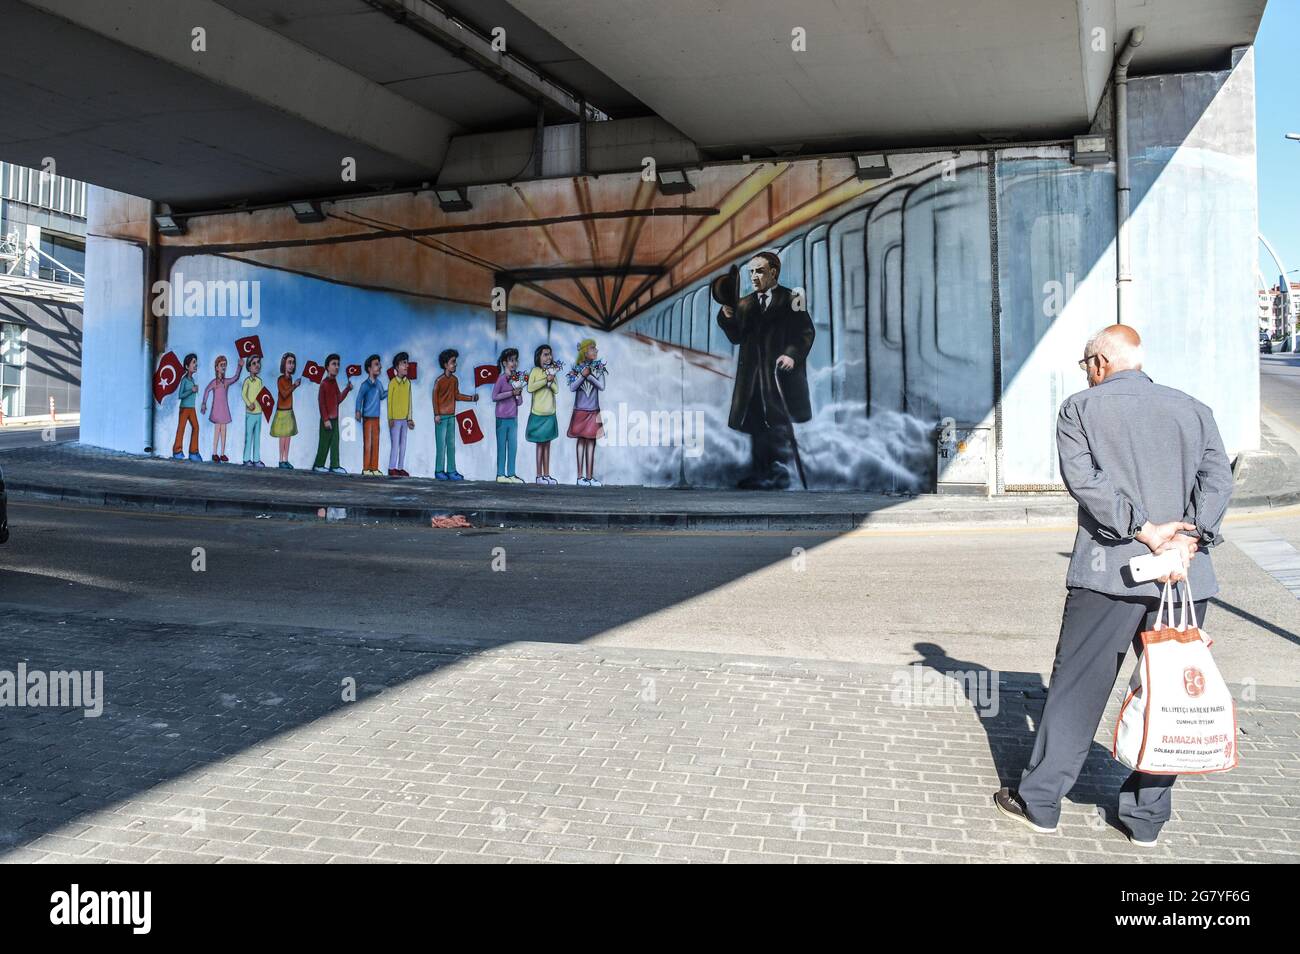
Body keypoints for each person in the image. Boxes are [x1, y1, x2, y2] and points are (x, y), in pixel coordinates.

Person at [994, 325, 1233, 847]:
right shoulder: (1195, 409)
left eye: (1086, 365)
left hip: (1110, 574)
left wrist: (1143, 530)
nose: (1087, 374)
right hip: (1184, 577)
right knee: (1170, 692)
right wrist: (1188, 537)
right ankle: (1144, 819)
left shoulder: (1080, 410)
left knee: (1078, 687)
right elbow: (1218, 482)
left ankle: (1041, 803)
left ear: (1100, 362)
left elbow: (1087, 484)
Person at [715, 252, 815, 490]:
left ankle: (781, 473)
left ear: (774, 272)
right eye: (751, 272)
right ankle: (763, 474)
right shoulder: (745, 304)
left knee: (779, 424)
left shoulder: (792, 298)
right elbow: (737, 336)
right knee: (757, 425)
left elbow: (805, 332)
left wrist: (791, 354)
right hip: (752, 379)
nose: (754, 276)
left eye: (759, 271)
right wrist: (727, 316)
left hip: (779, 377)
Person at [566, 338, 607, 487]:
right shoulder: (576, 369)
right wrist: (583, 375)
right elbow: (572, 387)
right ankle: (579, 477)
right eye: (592, 348)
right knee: (581, 441)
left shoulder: (599, 368)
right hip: (580, 410)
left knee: (592, 442)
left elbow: (601, 386)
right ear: (584, 351)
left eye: (595, 348)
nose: (595, 351)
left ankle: (589, 477)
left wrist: (589, 376)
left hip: (593, 410)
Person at [432, 348, 477, 480]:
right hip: (441, 417)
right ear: (446, 365)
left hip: (451, 416)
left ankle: (451, 470)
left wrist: (471, 398)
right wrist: (436, 414)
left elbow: (456, 395)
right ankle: (439, 470)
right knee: (441, 445)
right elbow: (434, 397)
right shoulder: (439, 381)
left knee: (451, 445)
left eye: (455, 362)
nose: (455, 364)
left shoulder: (454, 380)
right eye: (453, 362)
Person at [311, 354, 354, 474]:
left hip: (334, 419)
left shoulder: (334, 382)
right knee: (324, 443)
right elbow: (321, 403)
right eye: (334, 364)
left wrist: (347, 389)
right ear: (327, 367)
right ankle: (318, 464)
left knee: (335, 443)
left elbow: (338, 399)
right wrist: (325, 419)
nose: (337, 367)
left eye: (338, 364)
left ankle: (335, 465)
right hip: (327, 420)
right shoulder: (324, 384)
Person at [526, 344, 560, 485]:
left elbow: (556, 390)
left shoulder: (552, 372)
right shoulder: (535, 371)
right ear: (538, 357)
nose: (549, 357)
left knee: (548, 444)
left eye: (550, 354)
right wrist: (546, 379)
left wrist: (551, 379)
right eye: (545, 354)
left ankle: (547, 475)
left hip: (550, 414)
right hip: (538, 414)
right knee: (540, 445)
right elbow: (530, 387)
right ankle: (539, 475)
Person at [491, 347, 525, 484]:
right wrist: (511, 393)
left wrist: (518, 393)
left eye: (516, 360)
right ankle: (500, 474)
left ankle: (511, 474)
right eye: (511, 360)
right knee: (501, 447)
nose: (514, 363)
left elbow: (520, 402)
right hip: (501, 419)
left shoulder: (516, 379)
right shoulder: (501, 379)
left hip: (513, 418)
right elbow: (494, 396)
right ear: (504, 363)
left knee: (513, 447)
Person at [201, 354, 243, 462]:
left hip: (224, 410)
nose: (224, 367)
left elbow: (235, 377)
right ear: (216, 367)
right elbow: (206, 390)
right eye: (221, 365)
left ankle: (222, 453)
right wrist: (204, 403)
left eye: (225, 365)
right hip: (216, 410)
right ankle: (214, 453)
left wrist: (239, 366)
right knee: (217, 431)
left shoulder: (226, 382)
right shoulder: (214, 382)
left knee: (224, 432)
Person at [354, 354, 388, 477]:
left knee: (376, 442)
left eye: (379, 364)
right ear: (369, 368)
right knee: (367, 443)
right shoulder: (365, 385)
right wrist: (358, 411)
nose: (380, 367)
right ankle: (366, 468)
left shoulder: (379, 384)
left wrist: (390, 390)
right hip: (367, 418)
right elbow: (359, 399)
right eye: (376, 364)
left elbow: (382, 395)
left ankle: (374, 468)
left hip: (376, 418)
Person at [271, 352, 303, 469]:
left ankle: (286, 459)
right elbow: (284, 394)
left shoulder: (290, 379)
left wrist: (294, 384)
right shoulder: (281, 379)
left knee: (288, 436)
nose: (291, 365)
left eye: (293, 363)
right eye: (289, 362)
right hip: (282, 411)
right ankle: (280, 460)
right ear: (284, 364)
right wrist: (294, 386)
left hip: (289, 411)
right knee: (282, 436)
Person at [387, 351, 415, 478]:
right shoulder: (393, 382)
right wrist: (390, 418)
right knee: (395, 444)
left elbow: (410, 402)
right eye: (404, 363)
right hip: (395, 420)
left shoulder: (408, 383)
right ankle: (391, 468)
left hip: (404, 419)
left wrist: (409, 419)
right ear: (397, 367)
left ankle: (400, 467)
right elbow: (389, 402)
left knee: (403, 444)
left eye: (407, 363)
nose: (407, 366)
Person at [171, 352, 202, 461]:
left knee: (196, 427)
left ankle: (193, 452)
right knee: (181, 428)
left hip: (192, 408)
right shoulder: (184, 380)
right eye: (194, 363)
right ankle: (177, 451)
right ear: (187, 366)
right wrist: (191, 390)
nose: (196, 365)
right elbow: (180, 395)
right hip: (184, 408)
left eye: (196, 363)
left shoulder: (192, 380)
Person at [240, 354, 266, 467]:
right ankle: (246, 459)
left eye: (258, 362)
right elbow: (243, 394)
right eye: (254, 363)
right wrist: (249, 404)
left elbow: (262, 395)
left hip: (259, 413)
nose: (257, 365)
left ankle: (256, 459)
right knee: (249, 436)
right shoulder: (247, 381)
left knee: (257, 437)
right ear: (249, 367)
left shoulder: (260, 381)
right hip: (250, 413)